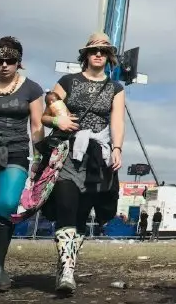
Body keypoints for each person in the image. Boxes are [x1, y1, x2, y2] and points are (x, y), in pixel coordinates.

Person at [41, 33, 126, 296]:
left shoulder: (115, 87)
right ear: (86, 55)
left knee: (80, 214)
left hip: (96, 158)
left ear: (109, 56)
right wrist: (59, 122)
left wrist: (117, 148)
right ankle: (66, 271)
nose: (98, 54)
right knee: (66, 204)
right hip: (67, 151)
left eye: (103, 51)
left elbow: (117, 121)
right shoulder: (69, 81)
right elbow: (47, 112)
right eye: (93, 51)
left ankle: (67, 265)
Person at [0, 36, 44, 292]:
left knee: (8, 205)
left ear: (18, 62)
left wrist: (39, 157)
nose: (4, 65)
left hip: (15, 153)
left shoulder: (31, 89)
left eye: (9, 60)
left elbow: (36, 126)